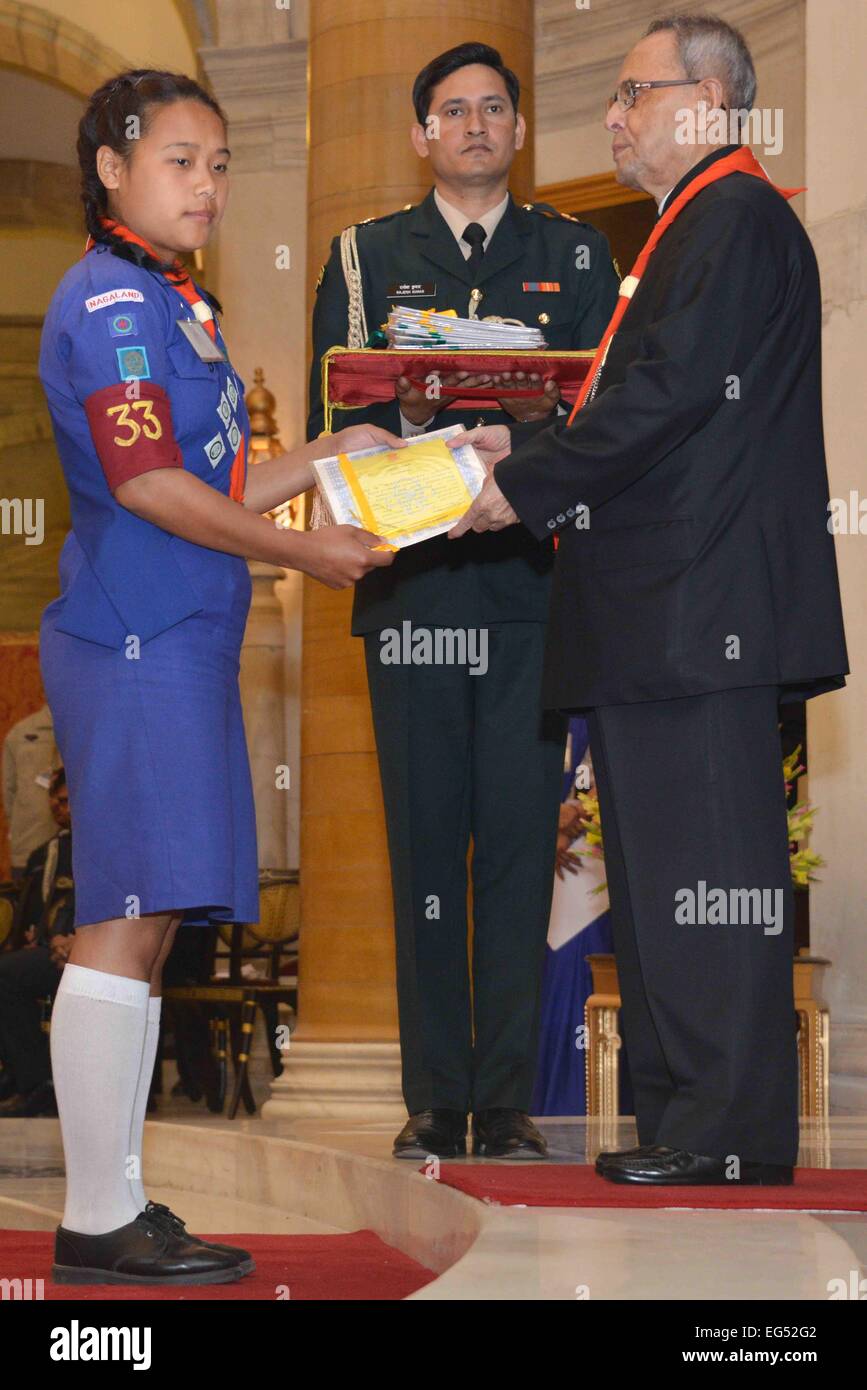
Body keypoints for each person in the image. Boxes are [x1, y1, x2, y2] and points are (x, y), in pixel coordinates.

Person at [450, 14, 848, 1185]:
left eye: (632, 93)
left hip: (700, 607)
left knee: (708, 875)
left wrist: (520, 485)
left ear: (708, 103)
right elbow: (645, 405)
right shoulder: (692, 227)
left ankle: (724, 1131)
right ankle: (687, 1118)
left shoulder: (732, 217)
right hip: (662, 609)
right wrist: (518, 436)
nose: (613, 116)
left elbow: (667, 399)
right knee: (670, 875)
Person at [38, 68, 411, 1284]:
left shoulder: (170, 303)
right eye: (179, 161)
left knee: (146, 932)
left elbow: (219, 480)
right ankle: (97, 1218)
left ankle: (122, 1204)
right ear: (112, 168)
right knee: (120, 927)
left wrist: (319, 456)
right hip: (135, 642)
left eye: (219, 162)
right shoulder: (111, 304)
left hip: (179, 645)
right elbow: (150, 488)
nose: (206, 184)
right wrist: (309, 547)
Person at [309, 42, 620, 1161]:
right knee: (427, 847)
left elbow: (595, 420)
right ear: (420, 134)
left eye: (496, 107)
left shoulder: (578, 255)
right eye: (454, 110)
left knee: (518, 847)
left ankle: (506, 1100)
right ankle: (436, 1095)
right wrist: (440, 477)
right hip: (415, 594)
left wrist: (510, 474)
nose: (477, 124)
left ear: (521, 129)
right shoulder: (360, 256)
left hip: (534, 593)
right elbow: (340, 423)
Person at [0, 768, 73, 1118]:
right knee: (9, 969)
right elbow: (36, 909)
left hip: (91, 950)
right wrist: (35, 934)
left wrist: (75, 940)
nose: (58, 808)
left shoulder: (99, 849)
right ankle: (19, 1074)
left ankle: (37, 1083)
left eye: (65, 801)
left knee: (5, 975)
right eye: (54, 801)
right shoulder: (43, 854)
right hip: (51, 950)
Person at [1, 702, 59, 881]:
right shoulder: (20, 734)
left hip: (80, 853)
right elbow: (9, 792)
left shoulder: (90, 731)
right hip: (30, 848)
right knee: (28, 905)